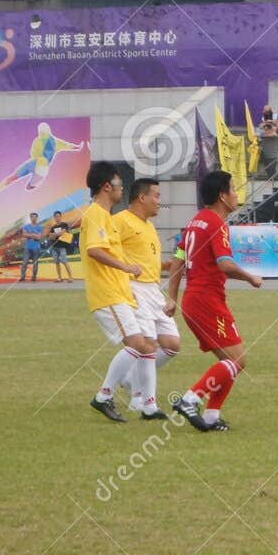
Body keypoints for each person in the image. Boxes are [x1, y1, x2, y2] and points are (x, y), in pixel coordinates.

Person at [167, 170, 264, 431]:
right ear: (222, 195)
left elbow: (177, 261)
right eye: (232, 189)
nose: (235, 194)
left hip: (194, 300)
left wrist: (172, 299)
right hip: (206, 301)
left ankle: (211, 416)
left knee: (229, 362)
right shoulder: (216, 224)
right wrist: (250, 277)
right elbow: (225, 264)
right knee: (237, 361)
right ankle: (190, 399)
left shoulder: (195, 222)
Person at [80, 162, 154, 423]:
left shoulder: (107, 217)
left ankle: (142, 401)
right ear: (106, 187)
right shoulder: (96, 214)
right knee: (137, 344)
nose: (122, 189)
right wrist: (125, 267)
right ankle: (104, 396)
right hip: (107, 294)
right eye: (119, 184)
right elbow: (94, 250)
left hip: (119, 293)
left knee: (144, 345)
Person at [111, 177, 181, 413]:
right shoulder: (120, 221)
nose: (159, 201)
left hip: (153, 289)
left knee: (172, 344)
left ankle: (131, 379)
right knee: (147, 344)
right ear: (142, 197)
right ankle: (139, 399)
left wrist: (165, 265)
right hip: (134, 288)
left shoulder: (149, 226)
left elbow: (144, 260)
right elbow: (105, 251)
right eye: (156, 196)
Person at [0, 122, 85, 195]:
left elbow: (67, 146)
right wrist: (77, 147)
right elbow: (34, 153)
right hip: (35, 164)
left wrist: (77, 147)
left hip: (40, 167)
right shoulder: (42, 141)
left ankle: (27, 185)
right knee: (16, 177)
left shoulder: (52, 142)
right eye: (41, 132)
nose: (42, 134)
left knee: (26, 184)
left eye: (43, 132)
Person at [46, 210, 74, 282]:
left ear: (61, 217)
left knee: (64, 261)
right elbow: (50, 237)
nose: (57, 218)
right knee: (57, 262)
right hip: (54, 247)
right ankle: (59, 277)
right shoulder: (53, 227)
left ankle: (70, 277)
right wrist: (54, 235)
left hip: (62, 247)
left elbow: (62, 232)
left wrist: (54, 235)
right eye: (56, 217)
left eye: (58, 216)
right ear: (54, 218)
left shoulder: (64, 224)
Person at [18, 212, 44, 282]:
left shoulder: (39, 227)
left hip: (36, 247)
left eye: (35, 217)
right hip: (27, 247)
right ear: (30, 218)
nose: (34, 218)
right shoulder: (26, 226)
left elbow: (39, 237)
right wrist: (33, 235)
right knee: (25, 262)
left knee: (35, 263)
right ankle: (22, 277)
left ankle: (34, 277)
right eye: (32, 217)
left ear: (37, 218)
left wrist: (29, 235)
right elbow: (24, 234)